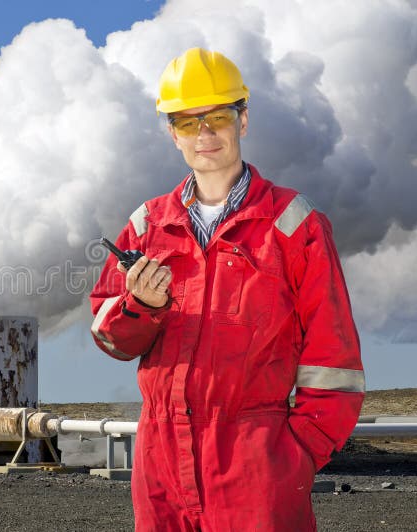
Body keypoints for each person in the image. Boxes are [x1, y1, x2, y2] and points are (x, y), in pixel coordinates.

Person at [89, 47, 364, 531]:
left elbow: (333, 360)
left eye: (218, 116)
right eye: (189, 122)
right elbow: (110, 338)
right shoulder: (148, 224)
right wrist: (139, 306)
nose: (205, 134)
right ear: (171, 133)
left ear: (244, 120)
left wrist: (295, 457)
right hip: (160, 465)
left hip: (255, 463)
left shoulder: (294, 225)